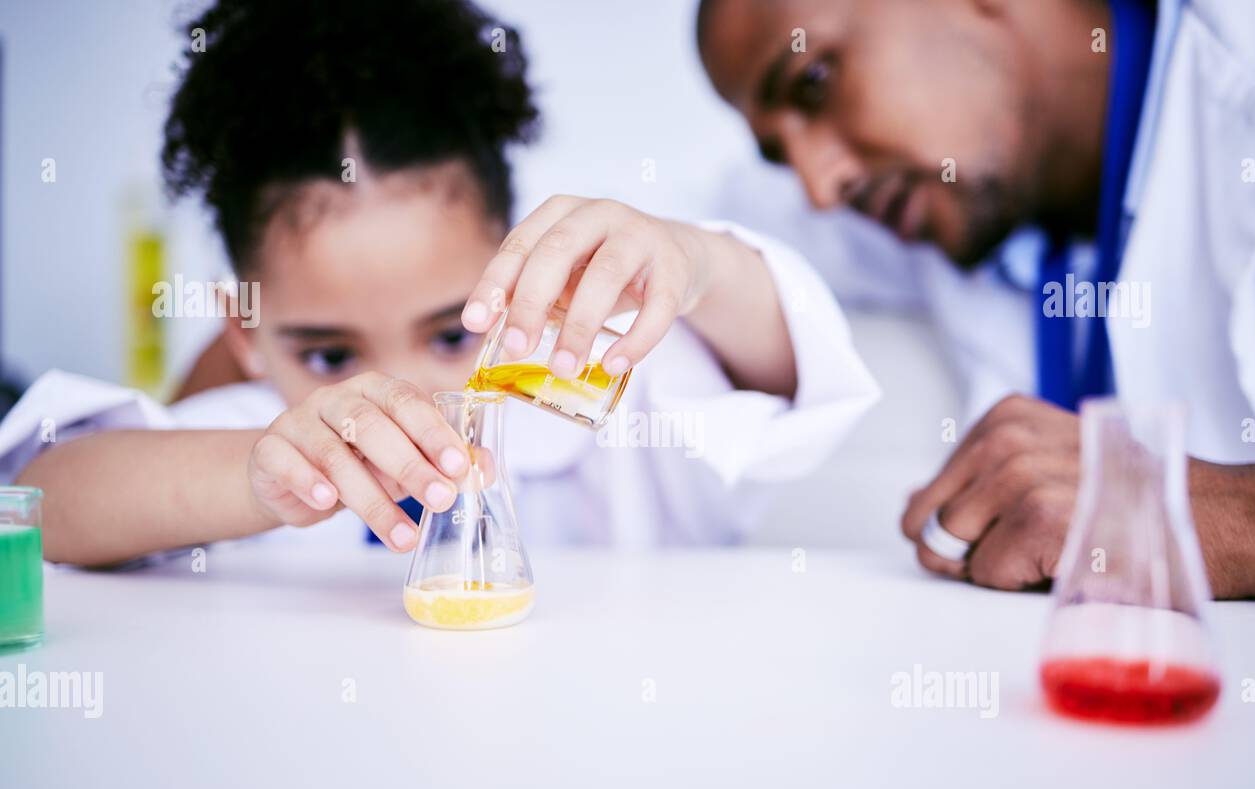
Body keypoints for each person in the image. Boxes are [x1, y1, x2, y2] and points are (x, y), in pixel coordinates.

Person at [0, 0, 877, 567]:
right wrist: (259, 480)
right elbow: (41, 500)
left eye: (454, 334)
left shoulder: (615, 414)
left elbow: (791, 365)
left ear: (522, 273)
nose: (402, 397)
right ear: (246, 333)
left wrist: (696, 263)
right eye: (330, 352)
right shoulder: (264, 439)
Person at [696, 0, 1255, 597]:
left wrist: (1229, 514)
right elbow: (709, 240)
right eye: (778, 153)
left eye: (814, 81)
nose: (820, 186)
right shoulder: (934, 204)